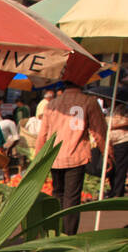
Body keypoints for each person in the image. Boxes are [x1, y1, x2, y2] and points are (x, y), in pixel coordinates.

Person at [37, 84, 108, 235]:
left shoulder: (52, 104)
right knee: (72, 198)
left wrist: (38, 160)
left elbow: (42, 134)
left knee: (57, 194)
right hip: (76, 156)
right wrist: (108, 154)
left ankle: (55, 232)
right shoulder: (89, 101)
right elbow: (99, 132)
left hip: (54, 157)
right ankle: (68, 234)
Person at [109, 103, 128, 199]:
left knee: (120, 167)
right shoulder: (109, 110)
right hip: (110, 142)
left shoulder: (124, 109)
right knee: (112, 167)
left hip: (122, 140)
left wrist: (113, 125)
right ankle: (113, 190)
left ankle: (118, 192)